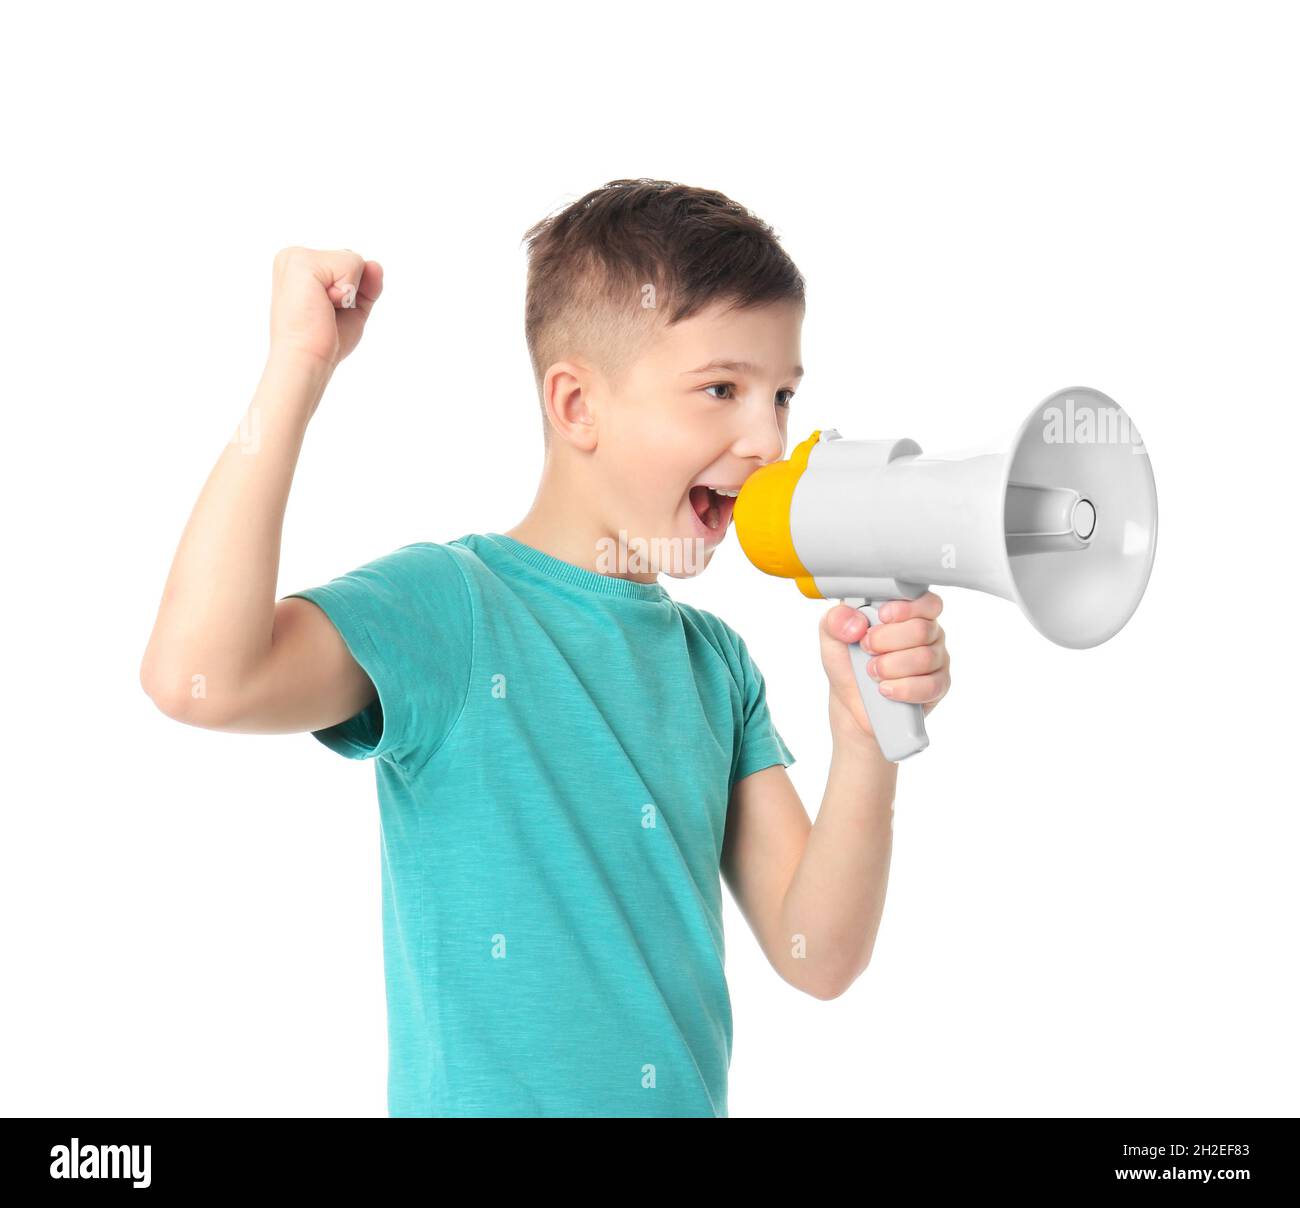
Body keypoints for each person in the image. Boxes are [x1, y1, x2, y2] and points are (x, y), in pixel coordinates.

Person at [139, 178, 951, 1118]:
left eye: (783, 396)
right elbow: (197, 679)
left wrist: (863, 741)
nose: (769, 439)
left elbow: (820, 957)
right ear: (575, 406)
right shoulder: (451, 607)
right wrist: (296, 368)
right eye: (721, 389)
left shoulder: (716, 665)